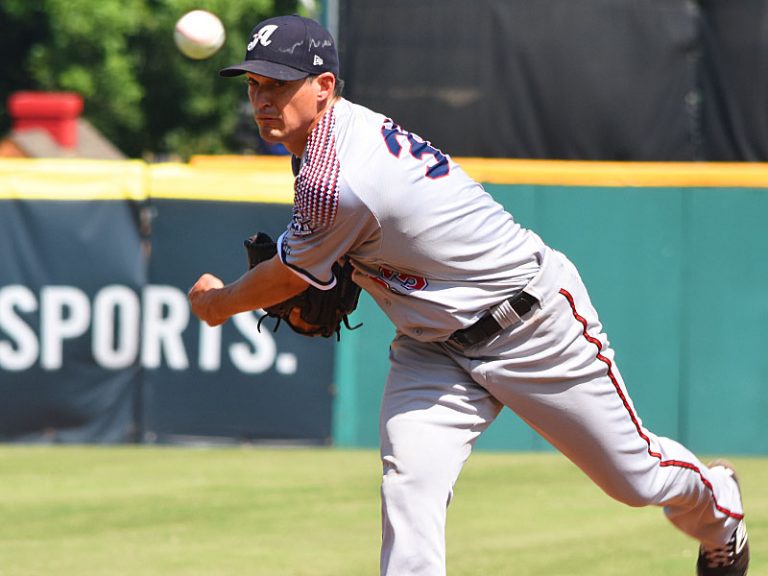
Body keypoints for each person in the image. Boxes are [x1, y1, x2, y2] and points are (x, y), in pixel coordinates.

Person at [188, 14, 750, 576]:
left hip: (533, 326)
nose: (263, 99)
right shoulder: (323, 147)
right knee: (411, 487)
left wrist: (218, 305)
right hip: (432, 348)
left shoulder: (338, 177)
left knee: (636, 479)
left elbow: (289, 277)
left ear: (325, 87)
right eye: (255, 85)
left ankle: (719, 505)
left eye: (279, 85)